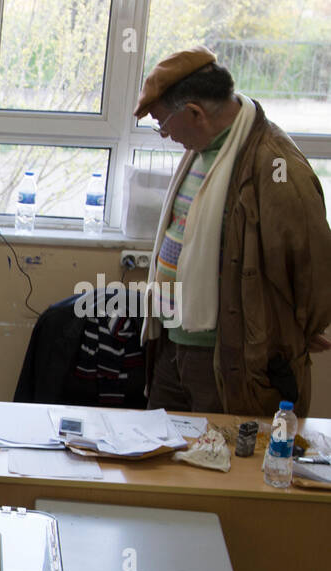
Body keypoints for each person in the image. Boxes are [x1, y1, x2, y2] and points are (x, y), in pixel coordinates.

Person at [137, 47, 331, 416]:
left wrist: (302, 327)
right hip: (173, 341)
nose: (164, 135)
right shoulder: (205, 147)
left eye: (163, 123)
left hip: (227, 356)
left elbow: (311, 257)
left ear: (194, 113)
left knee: (217, 467)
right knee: (159, 460)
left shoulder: (275, 163)